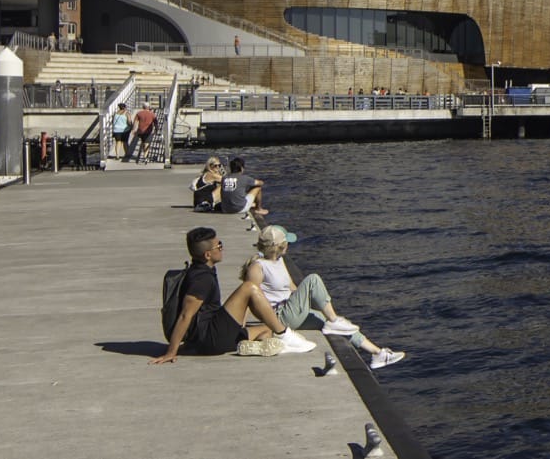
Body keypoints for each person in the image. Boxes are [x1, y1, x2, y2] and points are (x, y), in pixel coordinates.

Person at [244, 224, 404, 369]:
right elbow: (249, 296)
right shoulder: (258, 267)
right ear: (280, 245)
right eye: (287, 243)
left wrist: (309, 302)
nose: (289, 246)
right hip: (279, 316)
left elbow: (292, 288)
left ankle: (377, 353)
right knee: (313, 280)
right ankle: (333, 320)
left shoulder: (279, 260)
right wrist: (243, 326)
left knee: (337, 324)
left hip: (291, 311)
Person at [154, 226, 316, 363]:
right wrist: (172, 351)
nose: (222, 248)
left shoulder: (202, 270)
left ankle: (257, 345)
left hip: (212, 333)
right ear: (207, 255)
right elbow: (186, 315)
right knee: (249, 288)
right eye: (219, 246)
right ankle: (285, 336)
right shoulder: (201, 280)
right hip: (211, 338)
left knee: (268, 328)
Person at [217, 157, 267, 225]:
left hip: (225, 209)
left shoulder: (224, 178)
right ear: (241, 168)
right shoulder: (245, 178)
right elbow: (260, 183)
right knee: (257, 188)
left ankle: (250, 204)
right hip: (239, 209)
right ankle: (259, 209)